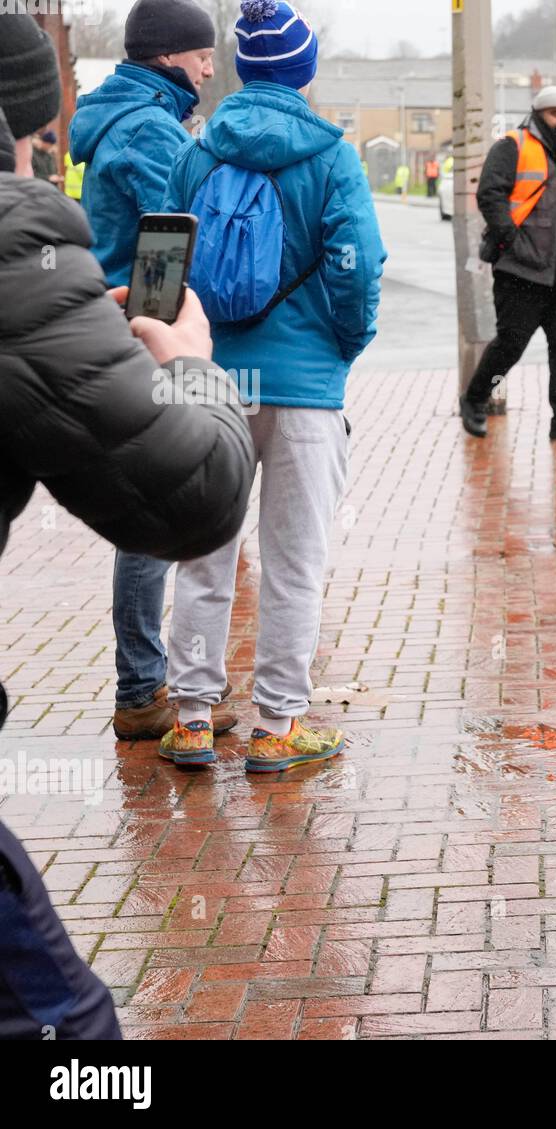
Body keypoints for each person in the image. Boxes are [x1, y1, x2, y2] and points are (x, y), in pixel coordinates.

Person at [0, 55, 254, 1036]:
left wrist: (65, 328)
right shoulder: (17, 239)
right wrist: (190, 369)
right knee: (74, 1036)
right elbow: (194, 495)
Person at [161, 0, 385, 773]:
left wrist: (175, 354)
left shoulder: (197, 150)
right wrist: (341, 347)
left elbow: (162, 259)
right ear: (305, 69)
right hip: (305, 386)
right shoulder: (331, 156)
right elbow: (358, 265)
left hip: (210, 379)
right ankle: (278, 726)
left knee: (203, 552)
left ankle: (192, 716)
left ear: (241, 68)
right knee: (294, 561)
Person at [67, 0, 225, 742]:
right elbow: (180, 225)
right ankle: (141, 691)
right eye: (201, 54)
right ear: (170, 57)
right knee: (153, 511)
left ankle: (150, 684)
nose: (209, 65)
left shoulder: (131, 116)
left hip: (118, 323)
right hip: (138, 329)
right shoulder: (147, 127)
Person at [459, 85, 556, 442]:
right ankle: (475, 399)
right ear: (539, 114)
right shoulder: (513, 145)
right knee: (511, 345)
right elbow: (490, 195)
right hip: (523, 271)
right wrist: (511, 241)